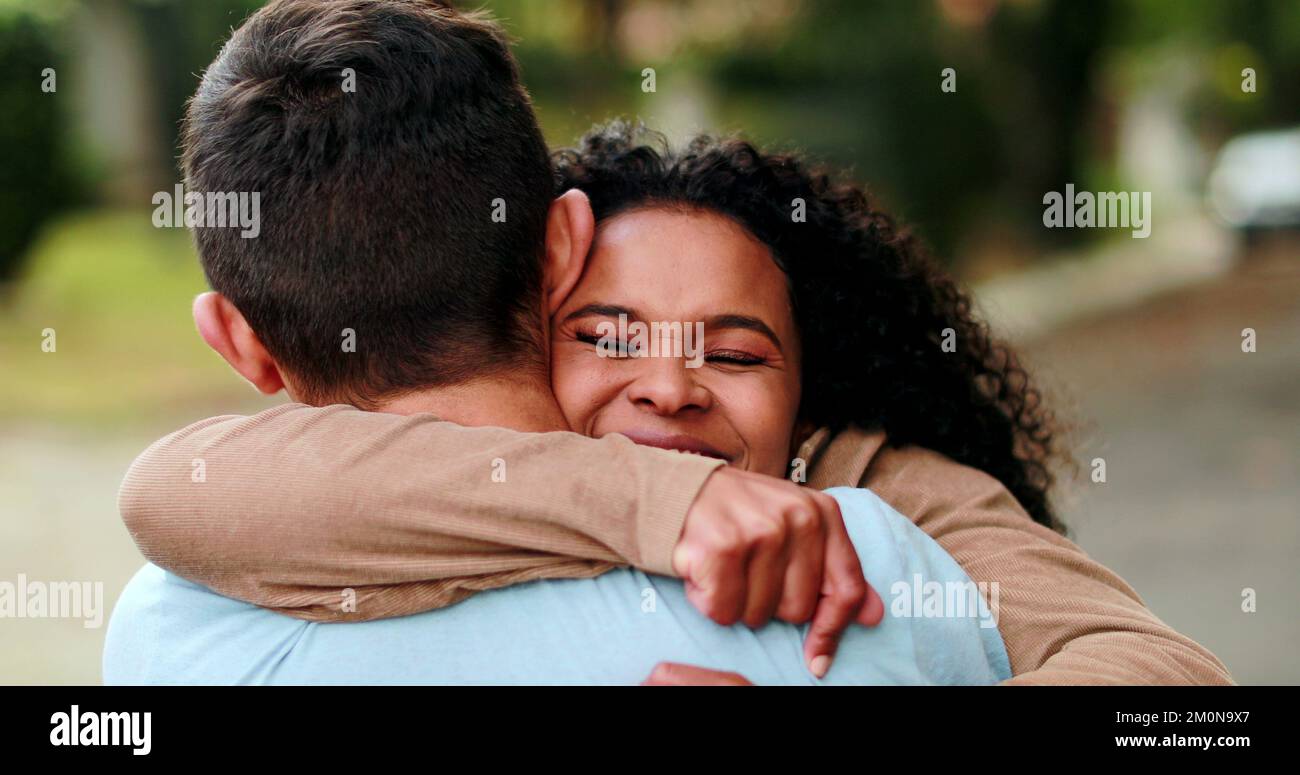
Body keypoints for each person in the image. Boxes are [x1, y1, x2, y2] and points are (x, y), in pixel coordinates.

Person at [110, 0, 1232, 685]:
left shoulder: (879, 497)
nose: (669, 387)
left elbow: (1172, 686)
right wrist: (665, 501)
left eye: (735, 355)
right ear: (549, 279)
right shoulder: (393, 482)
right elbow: (173, 490)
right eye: (605, 335)